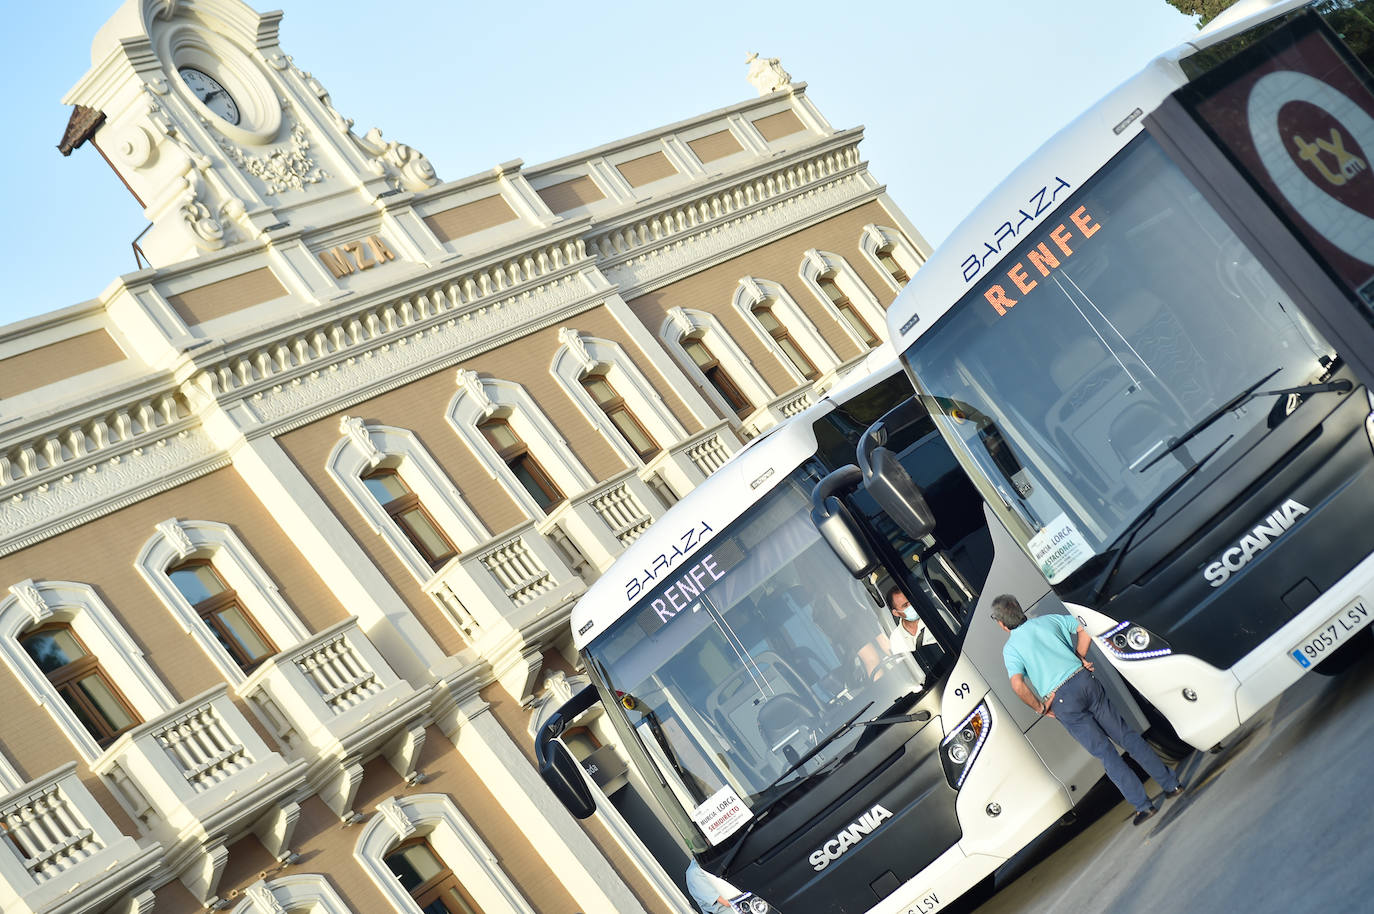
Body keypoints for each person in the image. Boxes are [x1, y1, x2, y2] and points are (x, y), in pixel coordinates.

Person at [991, 594, 1183, 825]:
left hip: (1062, 700)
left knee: (1106, 753)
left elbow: (1017, 685)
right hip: (1085, 681)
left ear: (1002, 623)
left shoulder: (1011, 649)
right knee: (1127, 736)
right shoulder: (1049, 620)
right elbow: (1083, 628)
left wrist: (1040, 708)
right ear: (1019, 610)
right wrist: (1079, 656)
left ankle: (1144, 806)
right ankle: (1171, 784)